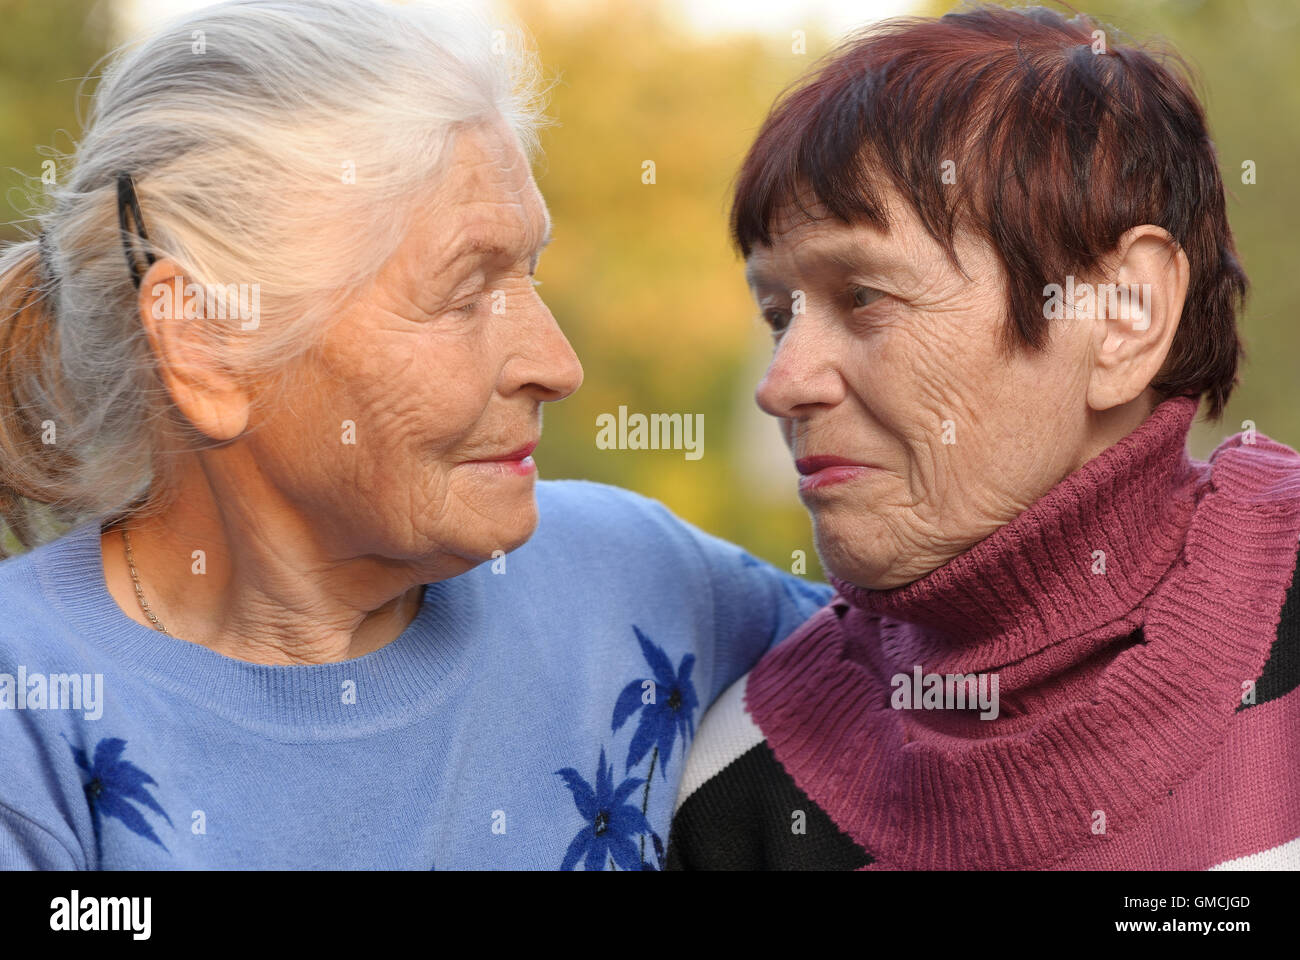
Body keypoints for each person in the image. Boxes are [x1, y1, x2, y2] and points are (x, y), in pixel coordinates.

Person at [0, 0, 829, 870]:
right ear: (205, 344)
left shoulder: (640, 584)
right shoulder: (30, 711)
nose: (556, 363)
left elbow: (951, 677)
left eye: (530, 273)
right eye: (465, 294)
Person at [668, 4, 1300, 870]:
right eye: (779, 315)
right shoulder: (740, 789)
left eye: (864, 296)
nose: (781, 385)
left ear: (1122, 314)